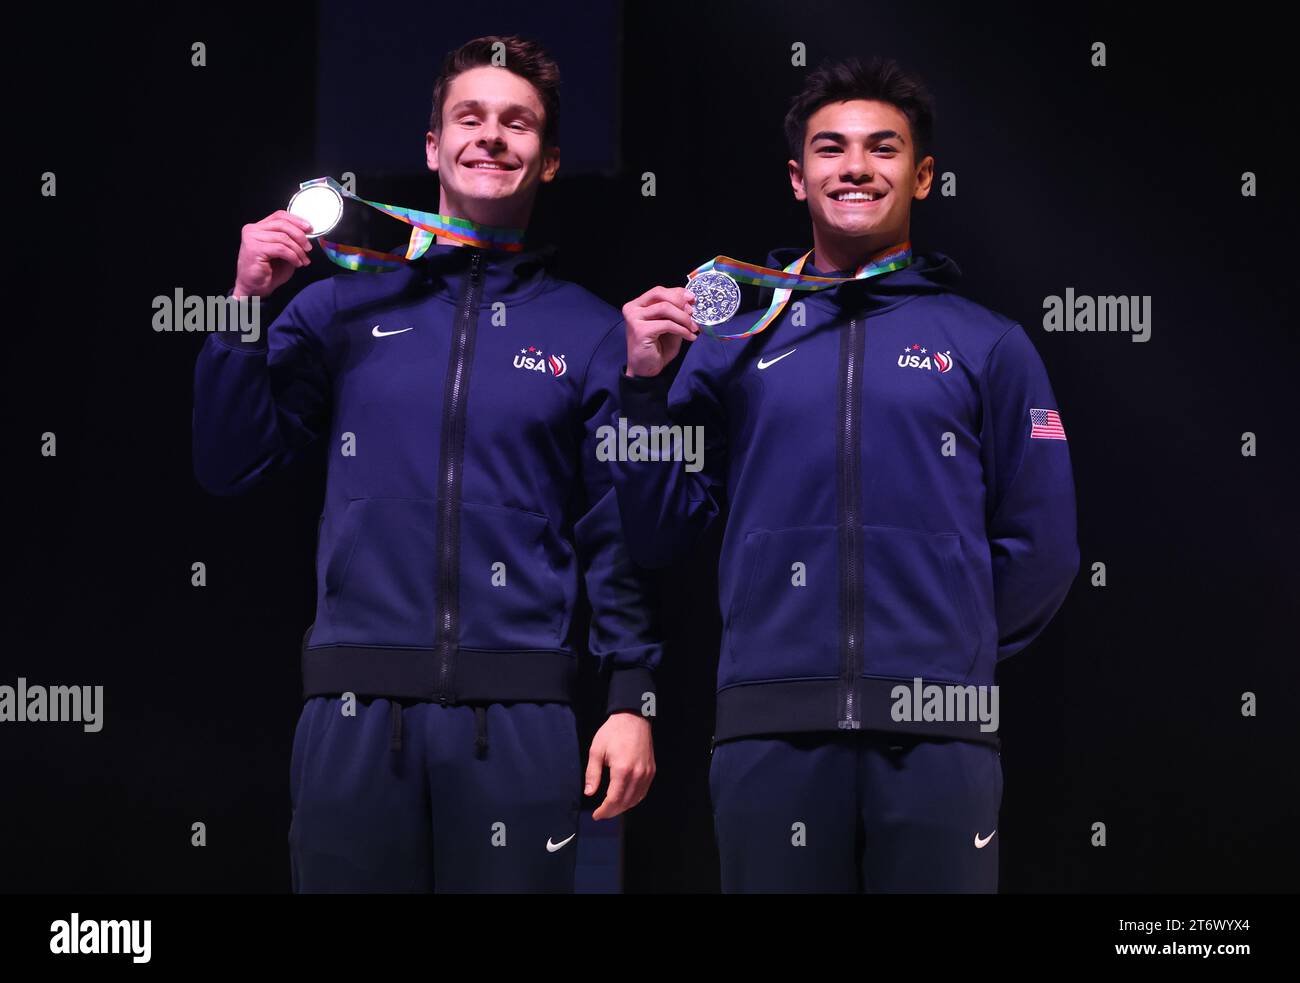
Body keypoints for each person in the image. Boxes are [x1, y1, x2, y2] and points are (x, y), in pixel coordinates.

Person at [192, 35, 659, 893]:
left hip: (523, 718)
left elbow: (612, 529)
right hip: (353, 711)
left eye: (517, 122)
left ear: (550, 159)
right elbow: (229, 460)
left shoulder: (591, 330)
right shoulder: (339, 305)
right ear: (434, 147)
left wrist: (631, 694)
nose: (492, 136)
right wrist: (244, 305)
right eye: (469, 118)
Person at [612, 55, 1079, 892]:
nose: (856, 166)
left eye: (882, 147)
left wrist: (944, 655)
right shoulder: (732, 339)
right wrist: (642, 390)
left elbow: (1044, 546)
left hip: (939, 733)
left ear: (923, 175)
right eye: (831, 148)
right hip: (768, 728)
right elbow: (657, 531)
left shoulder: (989, 343)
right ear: (799, 178)